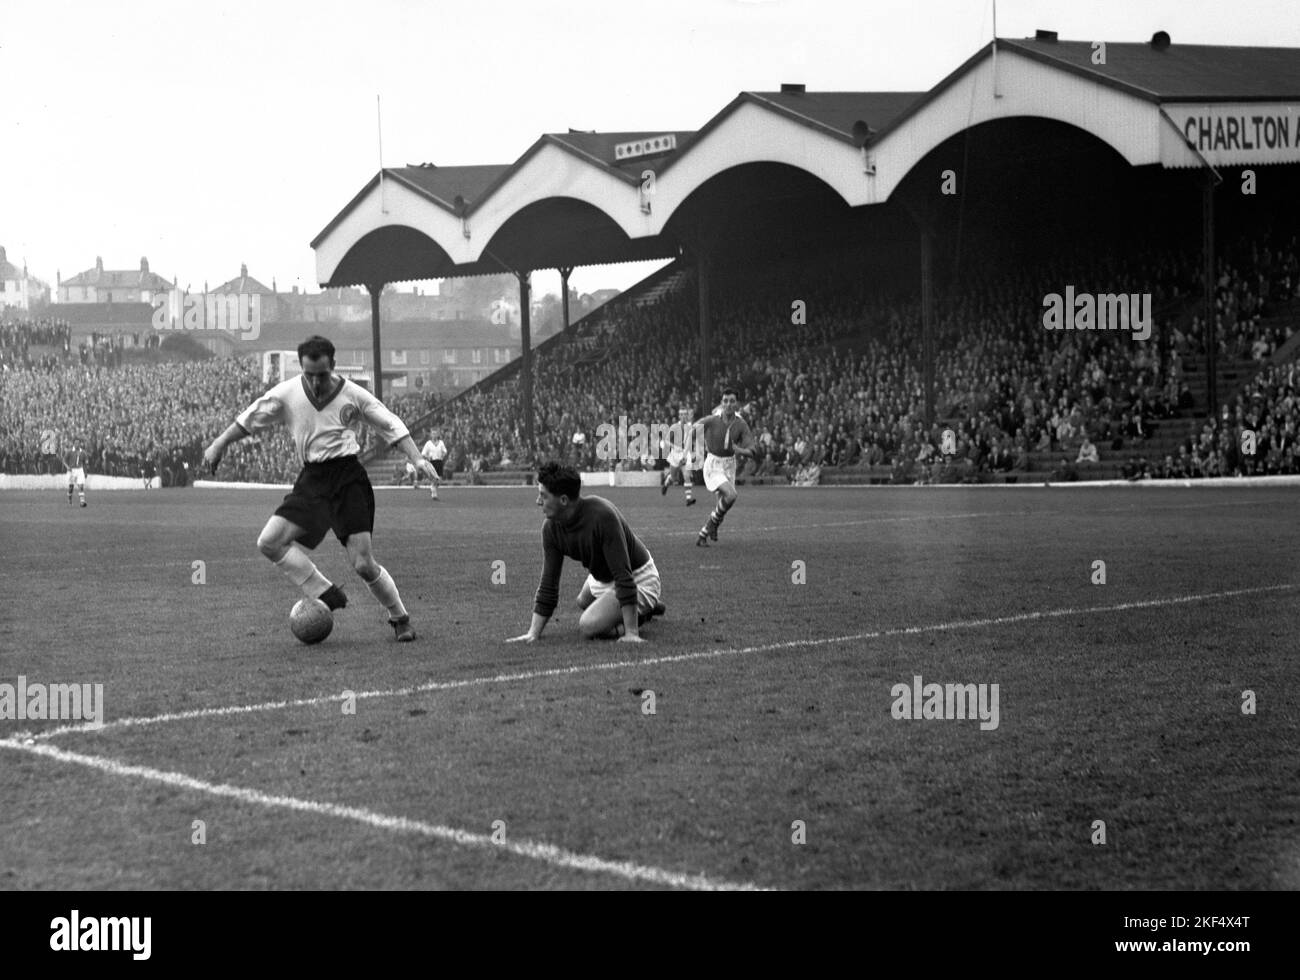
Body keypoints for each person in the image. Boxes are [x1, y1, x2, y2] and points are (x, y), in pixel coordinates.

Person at [203, 335, 436, 642]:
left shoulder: (353, 394)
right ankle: (325, 592)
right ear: (301, 368)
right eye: (308, 374)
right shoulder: (287, 392)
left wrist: (417, 458)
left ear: (333, 367)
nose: (314, 382)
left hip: (348, 478)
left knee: (363, 564)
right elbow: (250, 418)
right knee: (269, 543)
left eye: (322, 375)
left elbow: (390, 423)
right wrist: (219, 443)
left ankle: (400, 618)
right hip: (312, 480)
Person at [508, 461, 664, 644]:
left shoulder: (602, 516)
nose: (538, 501)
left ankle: (640, 613)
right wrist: (533, 633)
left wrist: (631, 633)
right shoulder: (551, 529)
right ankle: (645, 609)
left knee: (589, 625)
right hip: (605, 579)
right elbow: (548, 583)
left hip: (638, 577)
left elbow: (624, 575)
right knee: (583, 601)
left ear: (564, 500)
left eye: (543, 496)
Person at [695, 388, 759, 547]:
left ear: (736, 403)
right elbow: (694, 428)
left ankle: (703, 534)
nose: (728, 404)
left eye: (732, 401)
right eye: (725, 401)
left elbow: (752, 450)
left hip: (730, 465)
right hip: (713, 464)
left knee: (723, 504)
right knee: (731, 495)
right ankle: (711, 526)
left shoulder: (741, 424)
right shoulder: (712, 419)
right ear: (721, 403)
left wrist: (740, 450)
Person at [660, 406, 696, 505]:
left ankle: (688, 499)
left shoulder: (690, 427)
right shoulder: (674, 427)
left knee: (687, 475)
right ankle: (667, 483)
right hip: (675, 454)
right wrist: (674, 446)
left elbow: (691, 441)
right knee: (673, 477)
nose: (684, 416)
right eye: (682, 414)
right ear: (679, 416)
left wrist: (691, 452)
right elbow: (666, 440)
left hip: (685, 454)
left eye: (685, 414)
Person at [421, 428, 447, 501]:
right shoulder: (428, 443)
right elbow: (423, 453)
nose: (434, 435)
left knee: (440, 479)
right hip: (432, 462)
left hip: (439, 462)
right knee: (434, 478)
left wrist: (443, 455)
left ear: (438, 435)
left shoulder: (441, 442)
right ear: (431, 435)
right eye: (433, 433)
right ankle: (434, 494)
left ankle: (432, 488)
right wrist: (428, 457)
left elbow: (445, 451)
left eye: (435, 433)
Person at [64, 439, 89, 507]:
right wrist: (67, 467)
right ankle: (69, 501)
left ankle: (82, 502)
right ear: (74, 444)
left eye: (78, 443)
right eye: (76, 443)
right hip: (71, 471)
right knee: (71, 487)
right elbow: (64, 460)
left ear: (80, 444)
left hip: (80, 470)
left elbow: (85, 463)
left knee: (81, 486)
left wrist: (85, 472)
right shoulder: (69, 451)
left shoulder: (83, 452)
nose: (77, 444)